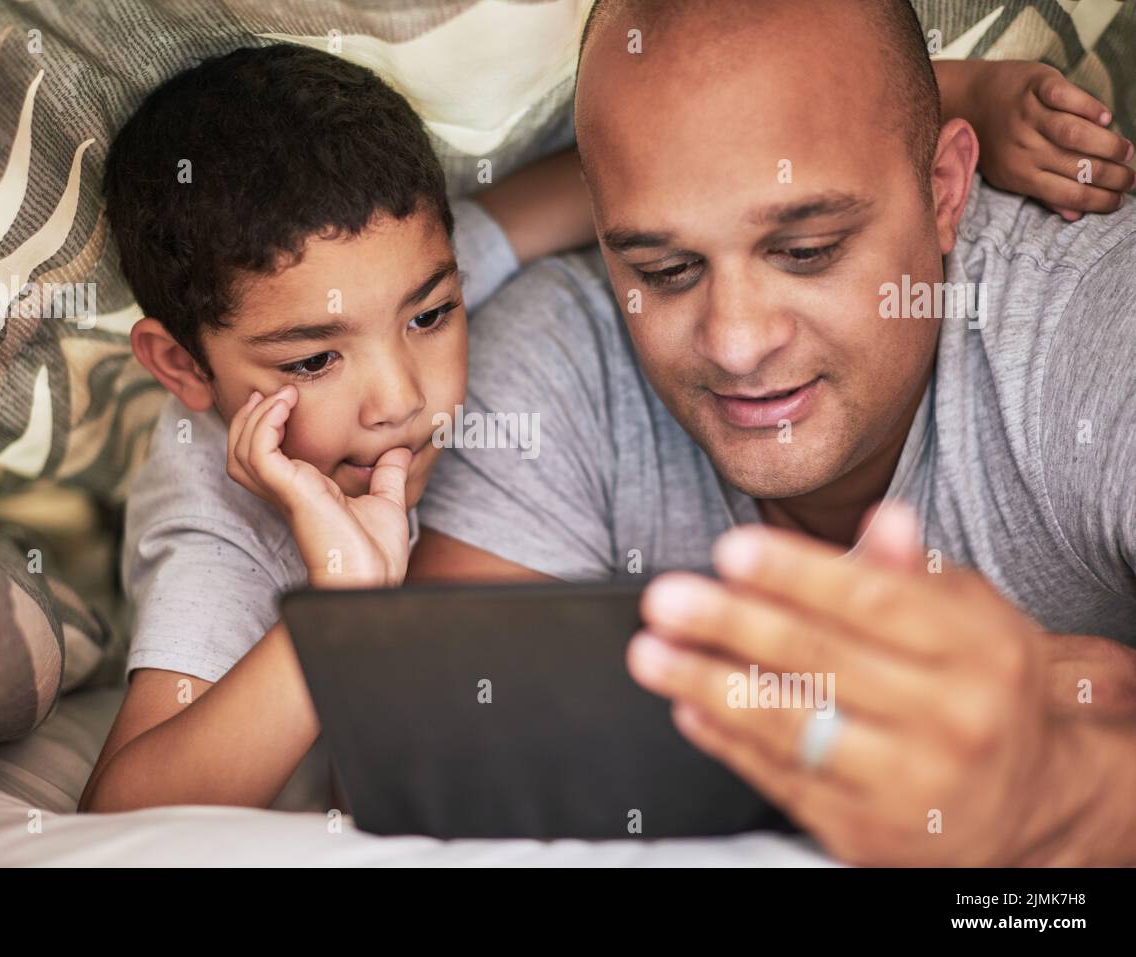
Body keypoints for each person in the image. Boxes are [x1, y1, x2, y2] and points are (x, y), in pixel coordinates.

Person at [409, 0, 1136, 865]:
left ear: (944, 190)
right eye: (666, 271)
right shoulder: (553, 362)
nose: (738, 341)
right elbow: (425, 791)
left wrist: (1069, 793)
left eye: (807, 251)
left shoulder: (1091, 322)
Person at [79, 44, 592, 811]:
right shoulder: (219, 525)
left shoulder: (391, 268)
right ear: (183, 367)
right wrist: (338, 605)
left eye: (431, 317)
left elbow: (589, 185)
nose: (398, 398)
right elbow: (117, 817)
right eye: (316, 360)